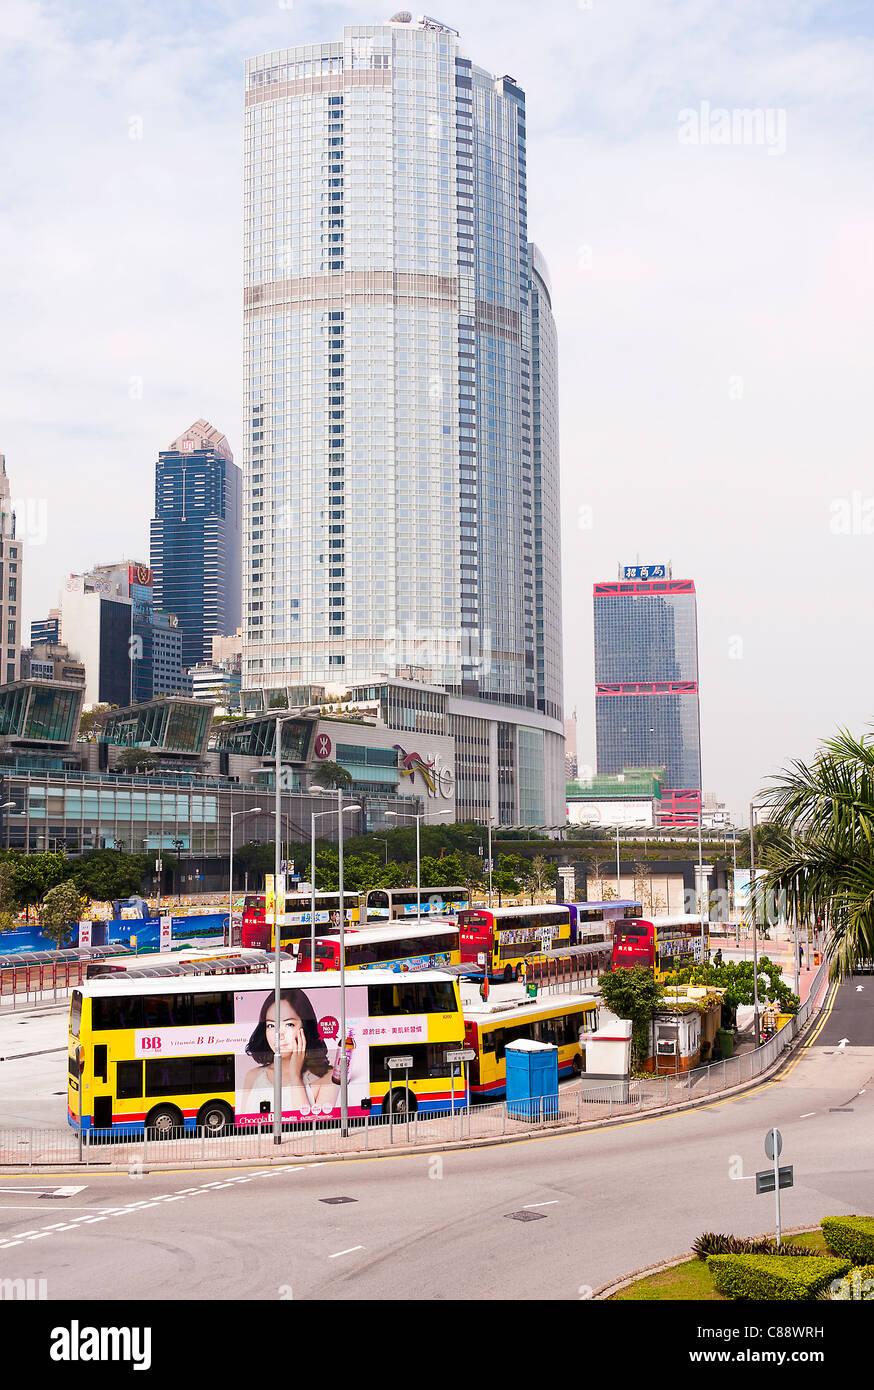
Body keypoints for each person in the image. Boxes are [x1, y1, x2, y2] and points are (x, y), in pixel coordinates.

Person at [240, 989, 340, 1118]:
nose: (279, 1034)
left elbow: (310, 1128)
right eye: (271, 1025)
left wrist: (295, 1076)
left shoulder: (328, 1078)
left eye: (289, 1024)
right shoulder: (253, 1076)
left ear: (305, 1027)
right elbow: (242, 1123)